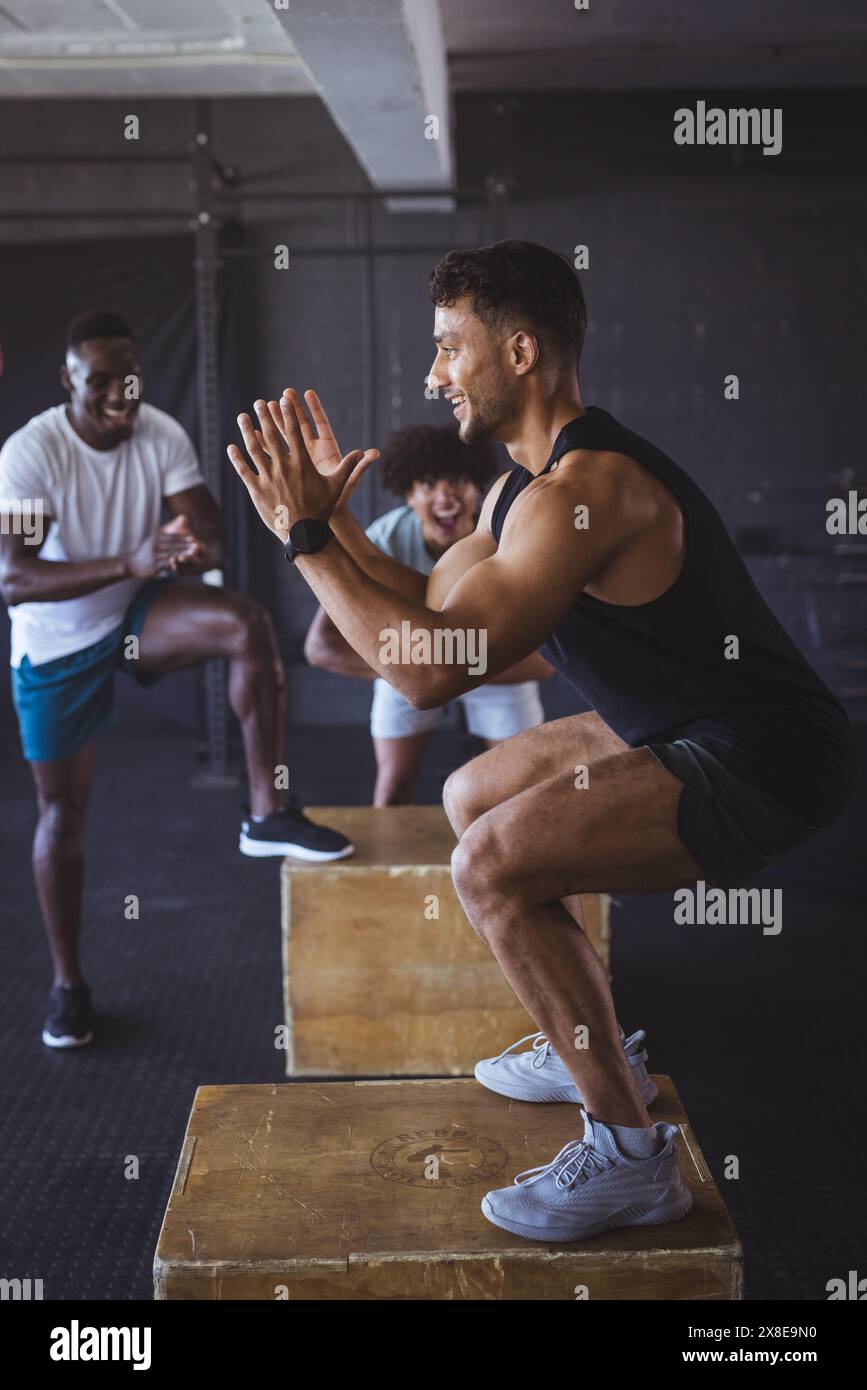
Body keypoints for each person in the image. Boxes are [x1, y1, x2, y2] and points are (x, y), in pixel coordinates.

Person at [227, 240, 855, 1243]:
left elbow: (429, 670)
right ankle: (593, 1041)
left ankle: (631, 1156)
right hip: (680, 720)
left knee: (487, 866)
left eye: (447, 347)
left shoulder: (586, 491)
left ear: (518, 353)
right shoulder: (523, 491)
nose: (433, 374)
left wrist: (305, 543)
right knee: (473, 794)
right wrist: (334, 525)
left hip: (763, 752)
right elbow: (431, 607)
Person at [0, 309, 352, 1051]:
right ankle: (69, 986)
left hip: (135, 618)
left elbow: (211, 532)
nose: (120, 394)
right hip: (58, 641)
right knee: (62, 818)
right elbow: (16, 577)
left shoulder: (159, 431)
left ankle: (265, 811)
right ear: (70, 381)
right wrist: (131, 559)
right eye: (101, 381)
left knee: (244, 623)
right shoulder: (30, 452)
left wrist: (191, 550)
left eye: (130, 376)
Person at [304, 423, 552, 804]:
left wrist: (447, 668)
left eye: (458, 481)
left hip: (495, 668)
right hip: (414, 667)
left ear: (478, 489)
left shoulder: (506, 536)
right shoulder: (384, 538)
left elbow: (545, 663)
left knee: (524, 793)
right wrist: (414, 670)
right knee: (392, 787)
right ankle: (386, 861)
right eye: (428, 484)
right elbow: (320, 647)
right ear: (408, 494)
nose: (445, 496)